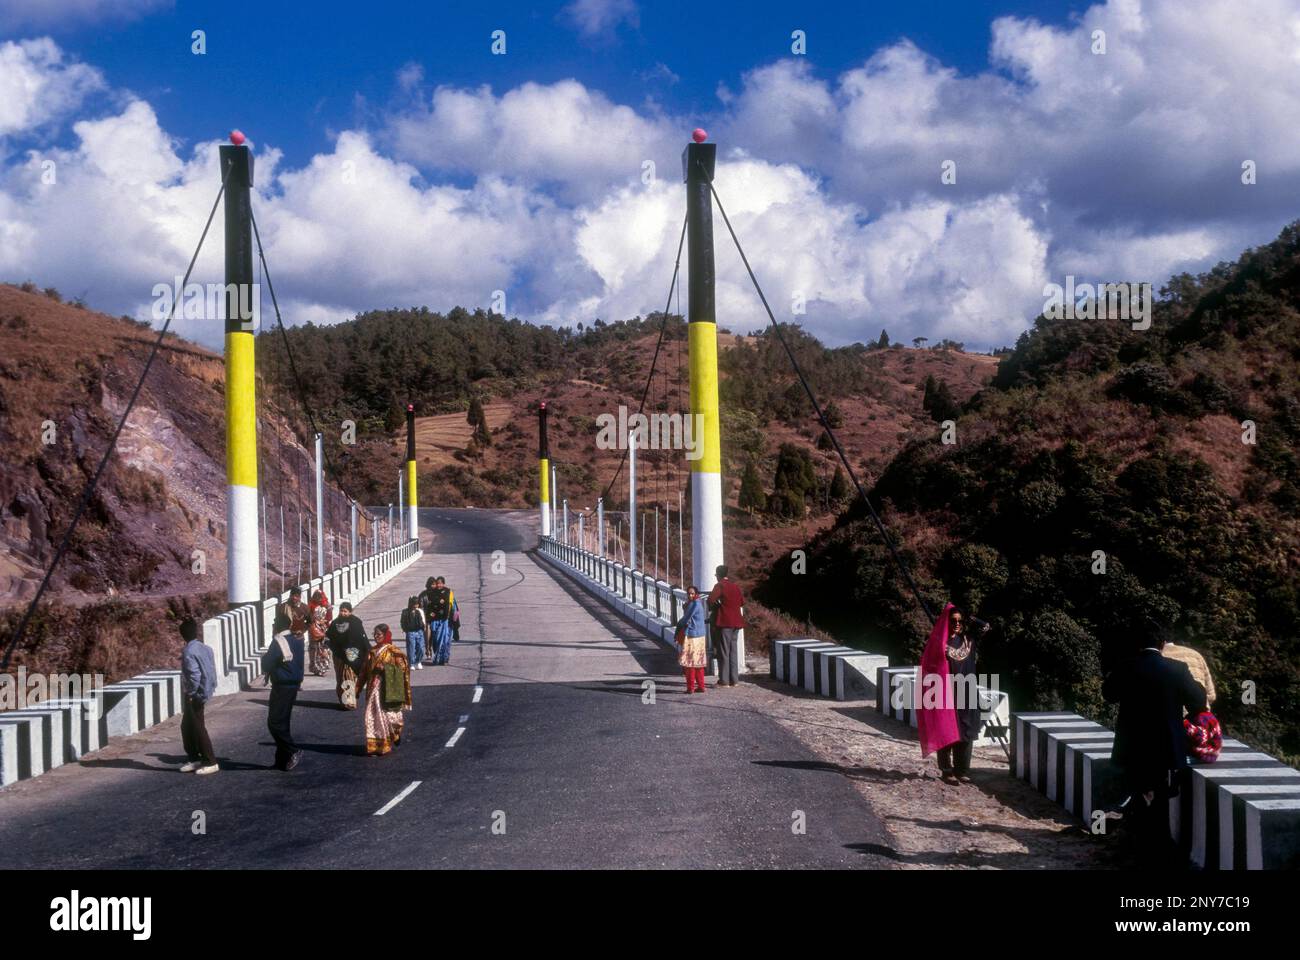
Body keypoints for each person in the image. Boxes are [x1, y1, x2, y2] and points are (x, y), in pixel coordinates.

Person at [1103, 625, 1208, 866]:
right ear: (1162, 645)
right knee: (1161, 798)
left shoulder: (1126, 666)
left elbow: (1108, 694)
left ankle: (1136, 847)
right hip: (1166, 746)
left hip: (1132, 747)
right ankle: (1160, 849)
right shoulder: (1177, 669)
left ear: (1137, 645)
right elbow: (1198, 702)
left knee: (1137, 793)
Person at [917, 604, 990, 784]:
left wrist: (969, 616)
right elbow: (931, 667)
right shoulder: (939, 643)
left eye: (960, 620)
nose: (957, 624)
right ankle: (947, 771)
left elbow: (986, 626)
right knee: (947, 731)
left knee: (966, 732)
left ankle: (962, 770)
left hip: (968, 691)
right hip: (947, 693)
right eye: (953, 620)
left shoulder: (968, 639)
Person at [262, 605, 305, 771]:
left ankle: (292, 749)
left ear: (277, 626)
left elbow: (267, 663)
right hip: (294, 684)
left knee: (274, 722)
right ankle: (281, 760)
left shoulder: (278, 641)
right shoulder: (297, 640)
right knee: (283, 721)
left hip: (282, 685)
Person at [359, 623, 411, 756]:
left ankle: (395, 734)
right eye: (374, 634)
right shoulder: (371, 652)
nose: (376, 637)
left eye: (379, 634)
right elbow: (364, 671)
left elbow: (403, 669)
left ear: (386, 635)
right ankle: (377, 746)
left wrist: (386, 668)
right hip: (373, 689)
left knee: (391, 718)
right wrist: (357, 689)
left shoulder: (393, 652)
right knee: (373, 716)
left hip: (388, 690)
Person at [178, 617, 219, 775]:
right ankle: (194, 758)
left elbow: (194, 675)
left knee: (197, 726)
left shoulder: (188, 652)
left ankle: (210, 761)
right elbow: (212, 670)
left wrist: (191, 693)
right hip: (205, 690)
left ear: (183, 636)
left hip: (194, 694)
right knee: (187, 726)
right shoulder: (206, 648)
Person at [325, 601, 369, 709]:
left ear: (350, 612)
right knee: (341, 678)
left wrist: (368, 650)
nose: (343, 613)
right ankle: (344, 701)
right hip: (339, 656)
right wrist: (327, 647)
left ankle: (349, 701)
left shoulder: (356, 622)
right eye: (341, 611)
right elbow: (329, 637)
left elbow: (362, 638)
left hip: (352, 656)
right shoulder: (335, 623)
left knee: (349, 677)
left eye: (345, 611)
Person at [706, 565, 745, 687]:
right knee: (733, 651)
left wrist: (718, 605)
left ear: (718, 574)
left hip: (724, 622)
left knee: (724, 651)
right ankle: (734, 680)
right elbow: (742, 602)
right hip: (737, 622)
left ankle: (724, 681)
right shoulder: (735, 586)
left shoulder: (720, 585)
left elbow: (710, 600)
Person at [1162, 639, 1216, 707]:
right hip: (1200, 714)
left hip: (1172, 713)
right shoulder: (1195, 655)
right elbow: (1211, 695)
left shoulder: (1159, 656)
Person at [675, 586, 709, 694]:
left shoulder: (693, 604)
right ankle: (701, 686)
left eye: (692, 594)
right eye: (689, 594)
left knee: (689, 663)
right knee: (698, 662)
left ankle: (690, 688)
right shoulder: (698, 603)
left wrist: (677, 630)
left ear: (696, 594)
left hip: (692, 636)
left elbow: (684, 620)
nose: (690, 596)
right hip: (701, 636)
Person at [425, 576, 455, 666]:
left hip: (444, 619)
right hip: (434, 619)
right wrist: (428, 618)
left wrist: (449, 618)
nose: (438, 585)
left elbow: (450, 606)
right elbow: (429, 606)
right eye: (437, 583)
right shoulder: (431, 593)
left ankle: (442, 659)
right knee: (436, 640)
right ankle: (438, 657)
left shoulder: (447, 592)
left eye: (440, 583)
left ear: (444, 583)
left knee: (443, 639)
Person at [307, 589, 332, 677]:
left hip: (324, 629)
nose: (318, 599)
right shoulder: (311, 605)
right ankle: (315, 667)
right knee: (314, 648)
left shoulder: (327, 605)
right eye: (316, 597)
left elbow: (329, 618)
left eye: (320, 597)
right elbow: (308, 618)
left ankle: (323, 666)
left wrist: (324, 623)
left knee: (324, 647)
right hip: (314, 629)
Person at [400, 595, 427, 670]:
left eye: (417, 604)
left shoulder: (419, 611)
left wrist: (423, 626)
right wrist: (405, 629)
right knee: (411, 648)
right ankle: (411, 663)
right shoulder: (405, 612)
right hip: (410, 632)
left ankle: (418, 661)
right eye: (414, 604)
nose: (416, 605)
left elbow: (422, 620)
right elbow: (402, 622)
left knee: (421, 647)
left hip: (419, 631)